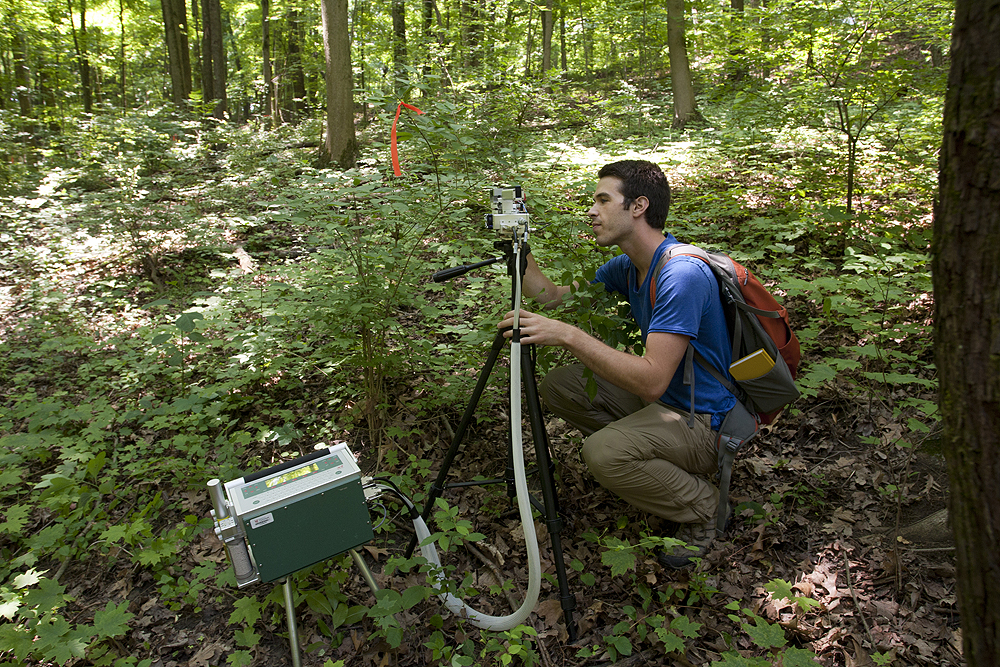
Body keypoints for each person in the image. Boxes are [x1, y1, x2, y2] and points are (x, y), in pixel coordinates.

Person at [498, 160, 736, 569]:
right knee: (561, 385)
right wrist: (520, 247)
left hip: (707, 420)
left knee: (602, 452)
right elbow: (554, 298)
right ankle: (650, 464)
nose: (591, 211)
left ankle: (707, 506)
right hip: (669, 405)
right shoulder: (628, 266)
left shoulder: (681, 274)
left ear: (638, 206)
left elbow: (652, 381)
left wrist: (570, 335)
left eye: (603, 200)